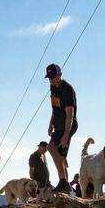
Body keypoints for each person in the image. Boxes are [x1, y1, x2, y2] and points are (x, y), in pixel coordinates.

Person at [45, 63, 78, 193]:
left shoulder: (67, 90)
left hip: (67, 125)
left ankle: (63, 181)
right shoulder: (53, 87)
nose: (51, 80)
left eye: (53, 77)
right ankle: (65, 185)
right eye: (49, 77)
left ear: (59, 75)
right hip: (58, 124)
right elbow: (55, 107)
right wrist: (50, 123)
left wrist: (66, 134)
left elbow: (70, 114)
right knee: (61, 156)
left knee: (51, 147)